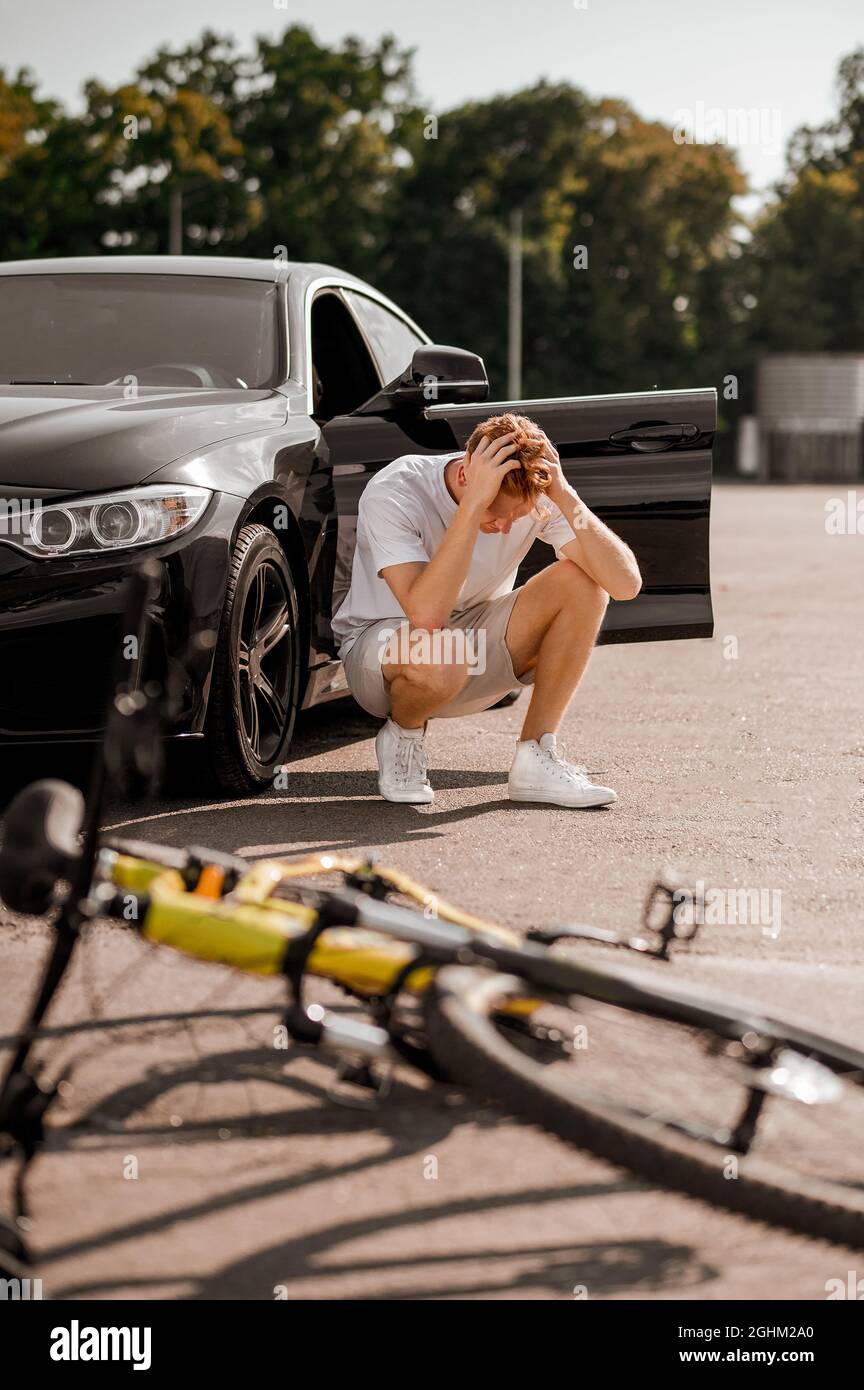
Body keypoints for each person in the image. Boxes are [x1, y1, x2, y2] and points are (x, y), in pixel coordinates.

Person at [332, 412, 642, 806]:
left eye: (517, 515)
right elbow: (426, 618)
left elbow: (626, 584)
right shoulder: (396, 489)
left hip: (473, 653)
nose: (507, 527)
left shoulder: (531, 497)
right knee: (441, 647)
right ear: (465, 474)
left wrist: (564, 493)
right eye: (496, 514)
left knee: (585, 582)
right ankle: (403, 735)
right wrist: (473, 506)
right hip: (384, 655)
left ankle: (535, 755)